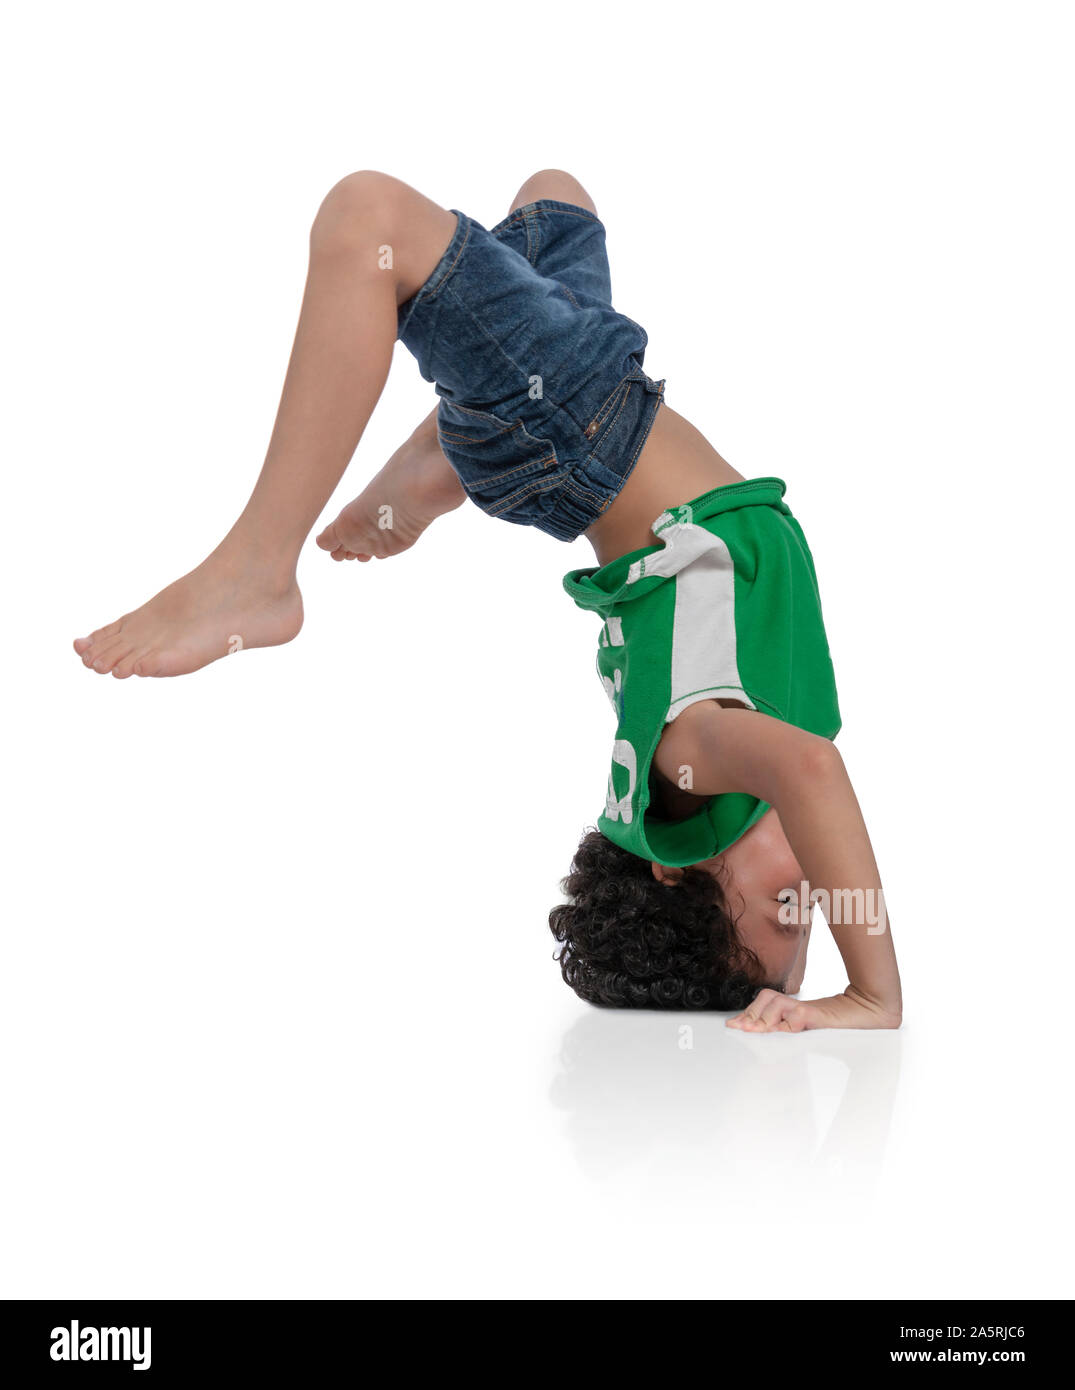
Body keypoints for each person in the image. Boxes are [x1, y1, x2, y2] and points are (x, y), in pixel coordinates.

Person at [72, 169, 901, 1031]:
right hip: (586, 418)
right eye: (814, 914)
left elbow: (814, 775)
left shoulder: (693, 765)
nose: (815, 886)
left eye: (785, 912)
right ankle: (459, 443)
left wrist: (871, 988)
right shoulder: (712, 774)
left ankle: (259, 572)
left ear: (669, 868)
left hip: (578, 434)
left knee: (369, 220)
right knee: (557, 202)